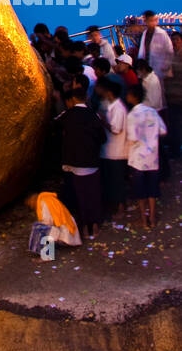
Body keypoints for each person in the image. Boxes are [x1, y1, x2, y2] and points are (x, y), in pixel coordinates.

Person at [60, 82, 106, 239]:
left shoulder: (67, 115)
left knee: (81, 195)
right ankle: (95, 225)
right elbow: (102, 137)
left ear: (73, 98)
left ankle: (85, 226)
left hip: (73, 161)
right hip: (91, 161)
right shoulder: (93, 115)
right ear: (86, 98)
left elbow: (56, 127)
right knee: (93, 193)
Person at [125, 81, 167, 229]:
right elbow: (163, 130)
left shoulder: (132, 115)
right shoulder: (152, 112)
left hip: (137, 159)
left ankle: (144, 220)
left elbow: (132, 138)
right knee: (152, 190)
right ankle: (153, 218)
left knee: (140, 191)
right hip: (152, 158)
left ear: (133, 96)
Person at [95, 78, 128, 223]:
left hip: (117, 151)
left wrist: (102, 120)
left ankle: (121, 208)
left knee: (117, 181)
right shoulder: (110, 105)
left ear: (109, 92)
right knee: (111, 180)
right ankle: (114, 205)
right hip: (109, 150)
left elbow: (116, 129)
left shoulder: (119, 108)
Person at [26, 191, 81, 257]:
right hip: (65, 226)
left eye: (30, 203)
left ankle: (47, 255)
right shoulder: (45, 198)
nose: (31, 205)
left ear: (32, 199)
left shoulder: (44, 202)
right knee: (40, 226)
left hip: (65, 228)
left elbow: (48, 221)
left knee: (42, 228)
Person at [137, 11, 175, 79]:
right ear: (145, 21)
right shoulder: (144, 34)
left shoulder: (161, 33)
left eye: (154, 20)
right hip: (147, 67)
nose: (153, 23)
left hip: (160, 69)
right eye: (150, 21)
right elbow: (142, 52)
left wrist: (165, 66)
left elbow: (169, 51)